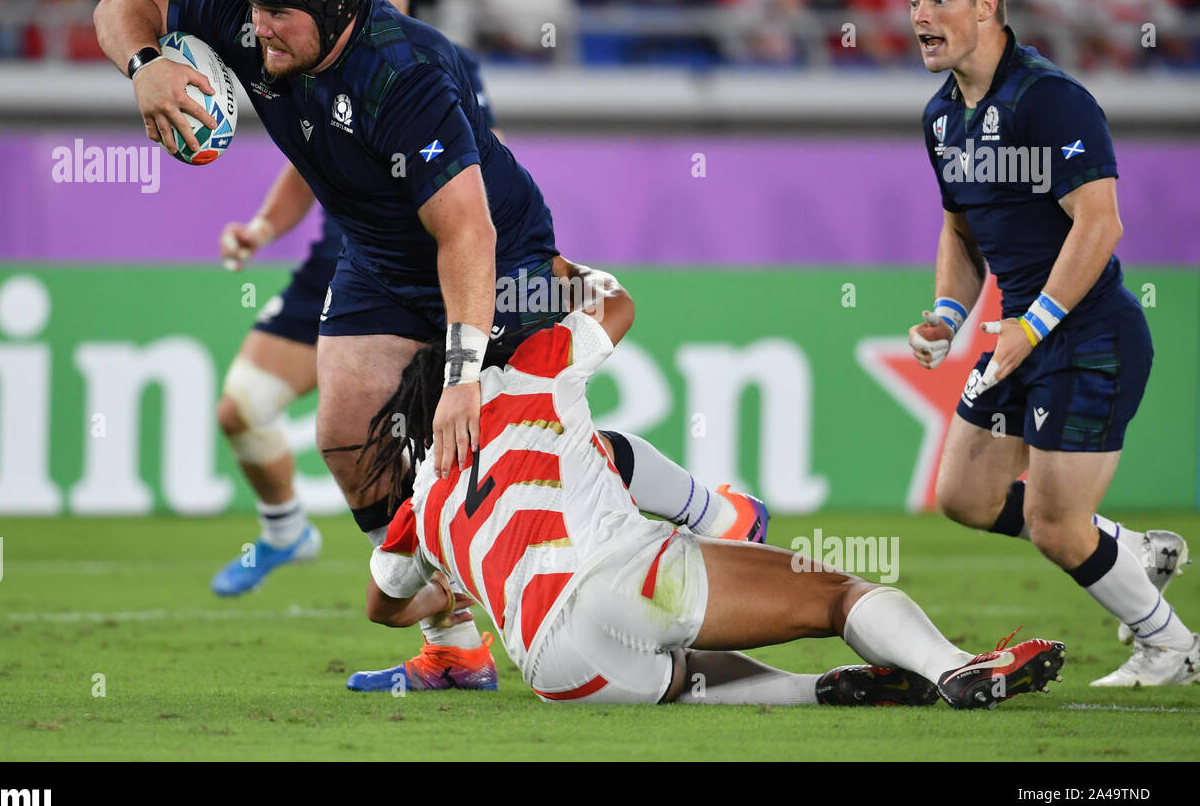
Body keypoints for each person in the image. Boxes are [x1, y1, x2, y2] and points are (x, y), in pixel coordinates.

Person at [94, 0, 765, 694]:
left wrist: (460, 375)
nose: (259, 32)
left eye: (278, 15)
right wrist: (145, 63)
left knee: (521, 433)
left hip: (499, 257)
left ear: (330, 8)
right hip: (379, 259)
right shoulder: (255, 25)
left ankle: (711, 509)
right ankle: (455, 645)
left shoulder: (407, 72)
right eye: (255, 11)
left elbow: (467, 234)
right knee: (347, 434)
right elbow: (124, 2)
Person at [360, 263, 1065, 708]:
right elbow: (618, 302)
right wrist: (546, 262)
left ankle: (815, 691)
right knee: (839, 595)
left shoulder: (422, 506)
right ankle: (953, 668)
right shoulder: (534, 367)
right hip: (622, 580)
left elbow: (382, 605)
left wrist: (454, 589)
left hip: (555, 672)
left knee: (681, 669)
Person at [899, 0, 1195, 688]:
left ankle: (1174, 645)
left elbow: (1101, 224)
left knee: (1054, 526)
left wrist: (1031, 327)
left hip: (1086, 334)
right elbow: (960, 228)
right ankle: (1127, 549)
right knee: (963, 495)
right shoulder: (942, 117)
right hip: (1016, 336)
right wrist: (943, 314)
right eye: (912, 1)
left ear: (987, 5)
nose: (920, 16)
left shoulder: (1050, 98)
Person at [207, 0, 507, 602]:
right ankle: (285, 529)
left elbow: (472, 196)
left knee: (424, 451)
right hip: (335, 266)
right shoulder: (307, 56)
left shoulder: (436, 63)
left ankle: (453, 616)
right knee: (242, 408)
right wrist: (261, 227)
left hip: (417, 273)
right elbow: (304, 155)